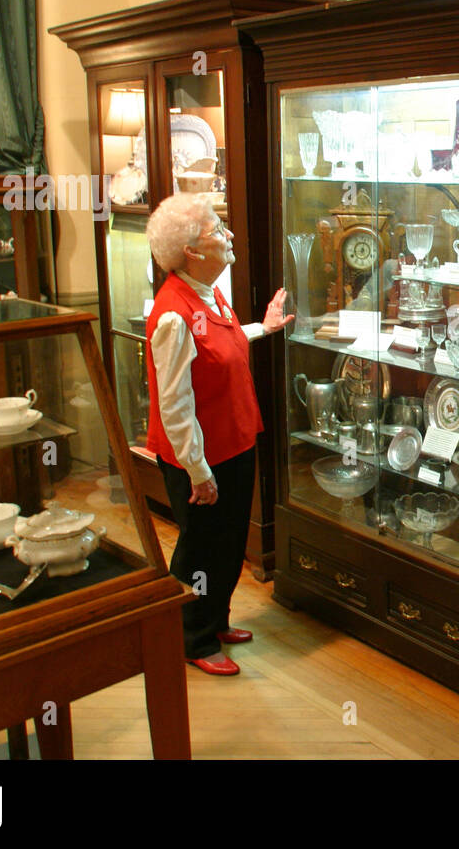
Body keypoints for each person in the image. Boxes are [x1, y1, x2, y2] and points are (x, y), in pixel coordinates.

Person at [144, 193, 290, 675]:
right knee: (201, 550)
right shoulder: (172, 313)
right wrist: (198, 472)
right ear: (190, 250)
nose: (228, 237)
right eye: (216, 231)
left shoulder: (205, 291)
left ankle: (215, 619)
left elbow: (217, 344)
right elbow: (174, 403)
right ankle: (194, 637)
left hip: (234, 441)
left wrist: (261, 329)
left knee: (227, 543)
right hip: (200, 456)